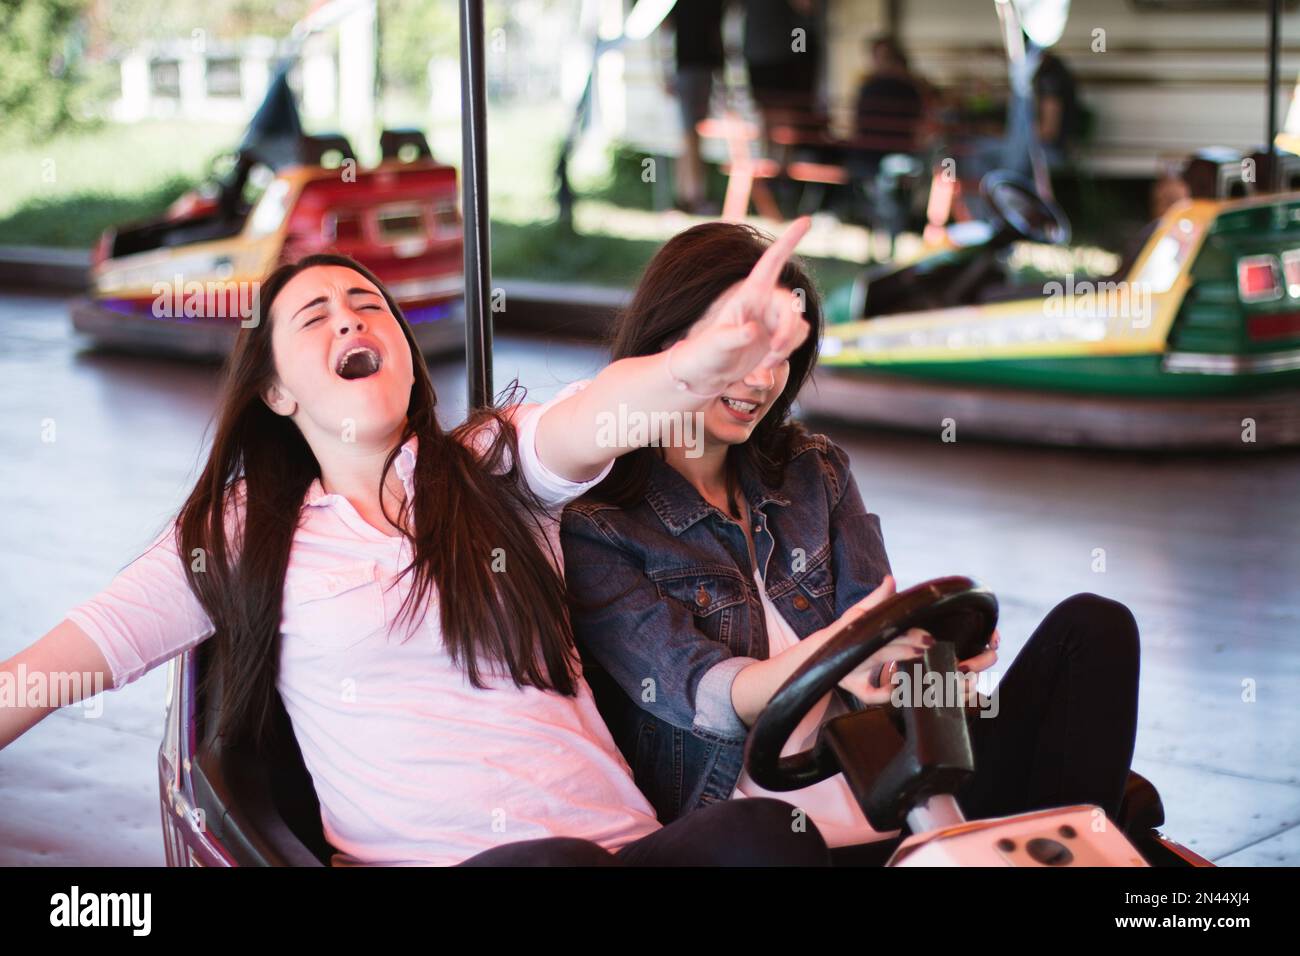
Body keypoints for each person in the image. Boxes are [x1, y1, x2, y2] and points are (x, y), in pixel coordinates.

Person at [0, 231, 834, 867]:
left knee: (768, 831)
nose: (354, 320)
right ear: (276, 390)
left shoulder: (488, 467)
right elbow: (58, 667)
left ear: (403, 357)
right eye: (316, 317)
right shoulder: (241, 532)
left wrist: (698, 363)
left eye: (369, 307)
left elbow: (603, 414)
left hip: (617, 849)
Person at [559, 221, 1142, 863]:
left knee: (1095, 628)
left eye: (781, 357)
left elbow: (878, 637)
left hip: (907, 787)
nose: (761, 381)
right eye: (744, 352)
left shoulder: (814, 470)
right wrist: (839, 654)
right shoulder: (602, 525)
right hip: (772, 832)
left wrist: (937, 677)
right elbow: (707, 697)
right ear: (673, 348)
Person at [663, 0, 726, 214]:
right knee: (691, 134)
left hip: (694, 69)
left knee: (689, 134)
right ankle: (693, 195)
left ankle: (687, 193)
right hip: (693, 70)